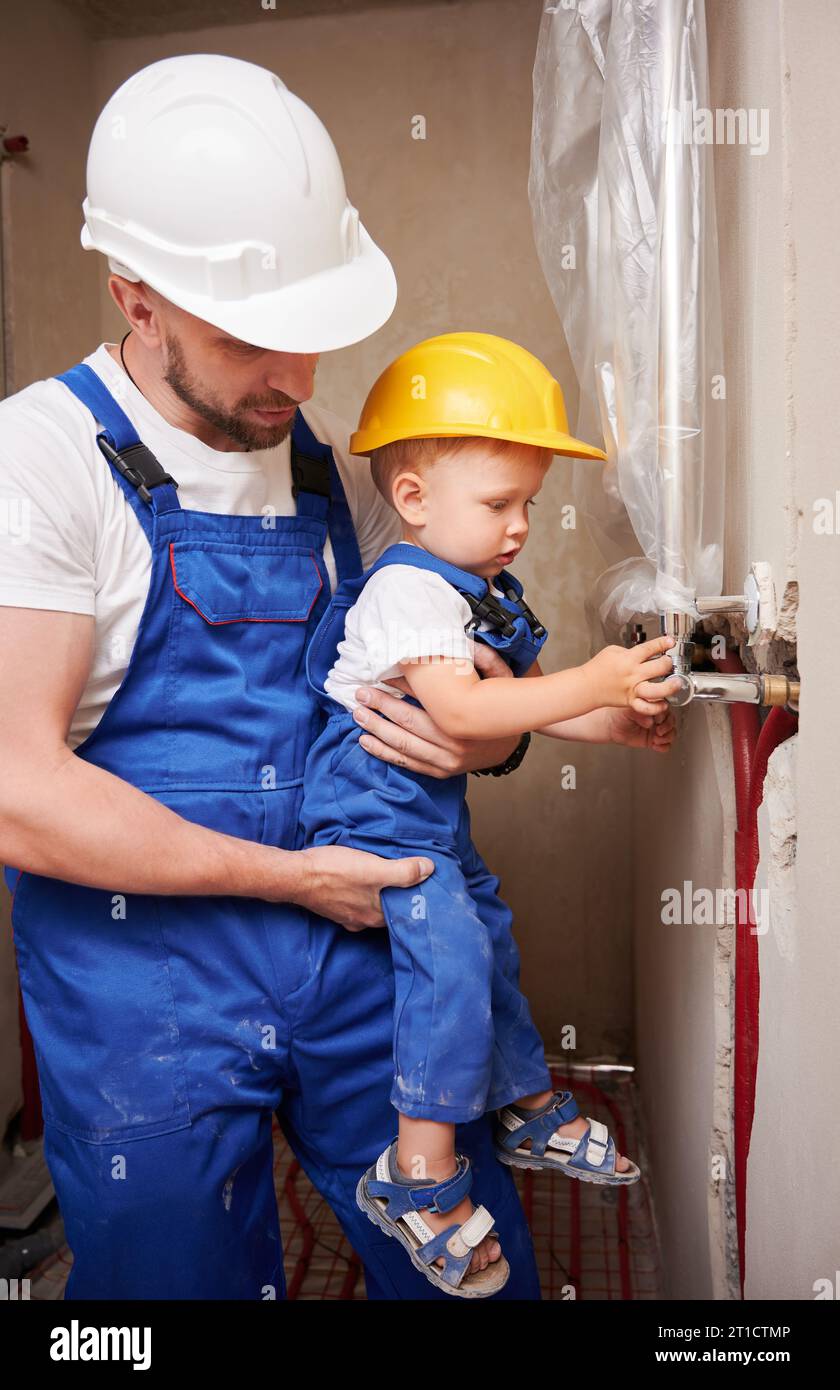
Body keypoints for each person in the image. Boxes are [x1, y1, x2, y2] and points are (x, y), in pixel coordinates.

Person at [0, 56, 552, 1299]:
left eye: (317, 332)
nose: (303, 382)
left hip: (356, 943)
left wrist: (489, 736)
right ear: (136, 300)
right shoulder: (37, 466)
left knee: (467, 1269)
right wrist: (290, 877)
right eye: (254, 337)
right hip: (141, 980)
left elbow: (444, 675)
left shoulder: (338, 475)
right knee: (169, 1290)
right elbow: (17, 789)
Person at [299, 332, 680, 1297]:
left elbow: (526, 701)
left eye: (529, 506)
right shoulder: (407, 591)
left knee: (492, 938)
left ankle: (524, 1104)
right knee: (451, 962)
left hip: (430, 820)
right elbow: (466, 711)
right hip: (374, 821)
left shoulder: (476, 592)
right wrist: (594, 679)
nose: (519, 526)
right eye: (499, 504)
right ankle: (415, 1173)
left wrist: (612, 725)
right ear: (416, 500)